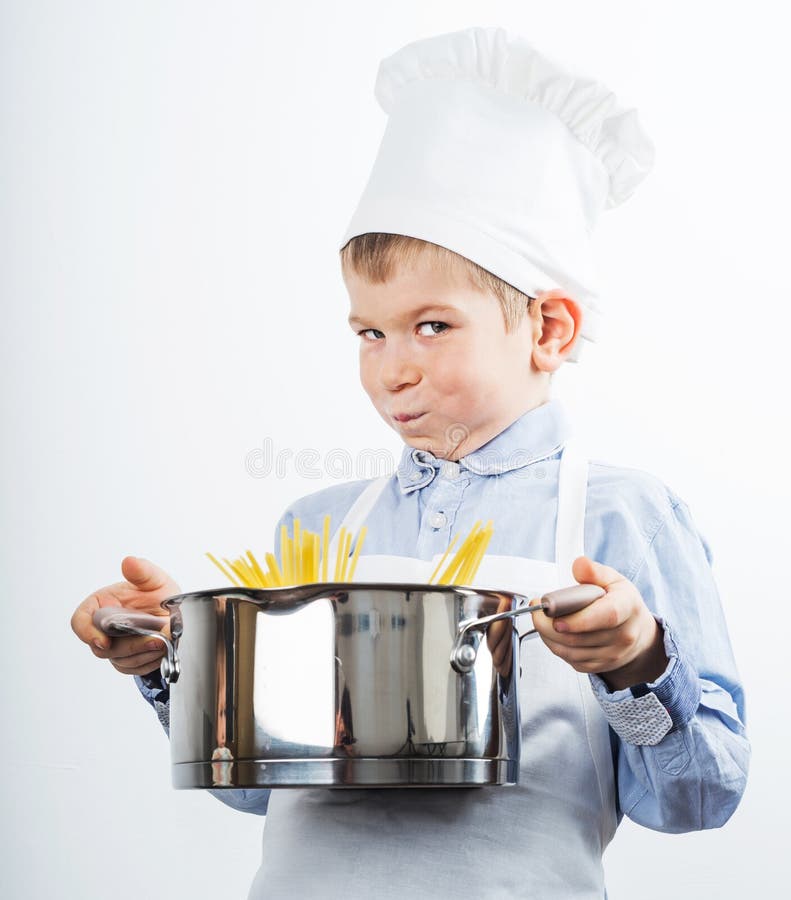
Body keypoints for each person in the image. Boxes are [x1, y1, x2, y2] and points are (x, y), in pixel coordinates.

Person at [70, 26, 749, 899]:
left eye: (432, 325)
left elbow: (700, 798)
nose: (391, 367)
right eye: (369, 332)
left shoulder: (622, 516)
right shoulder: (319, 527)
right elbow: (254, 785)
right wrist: (171, 664)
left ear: (548, 329)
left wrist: (635, 659)